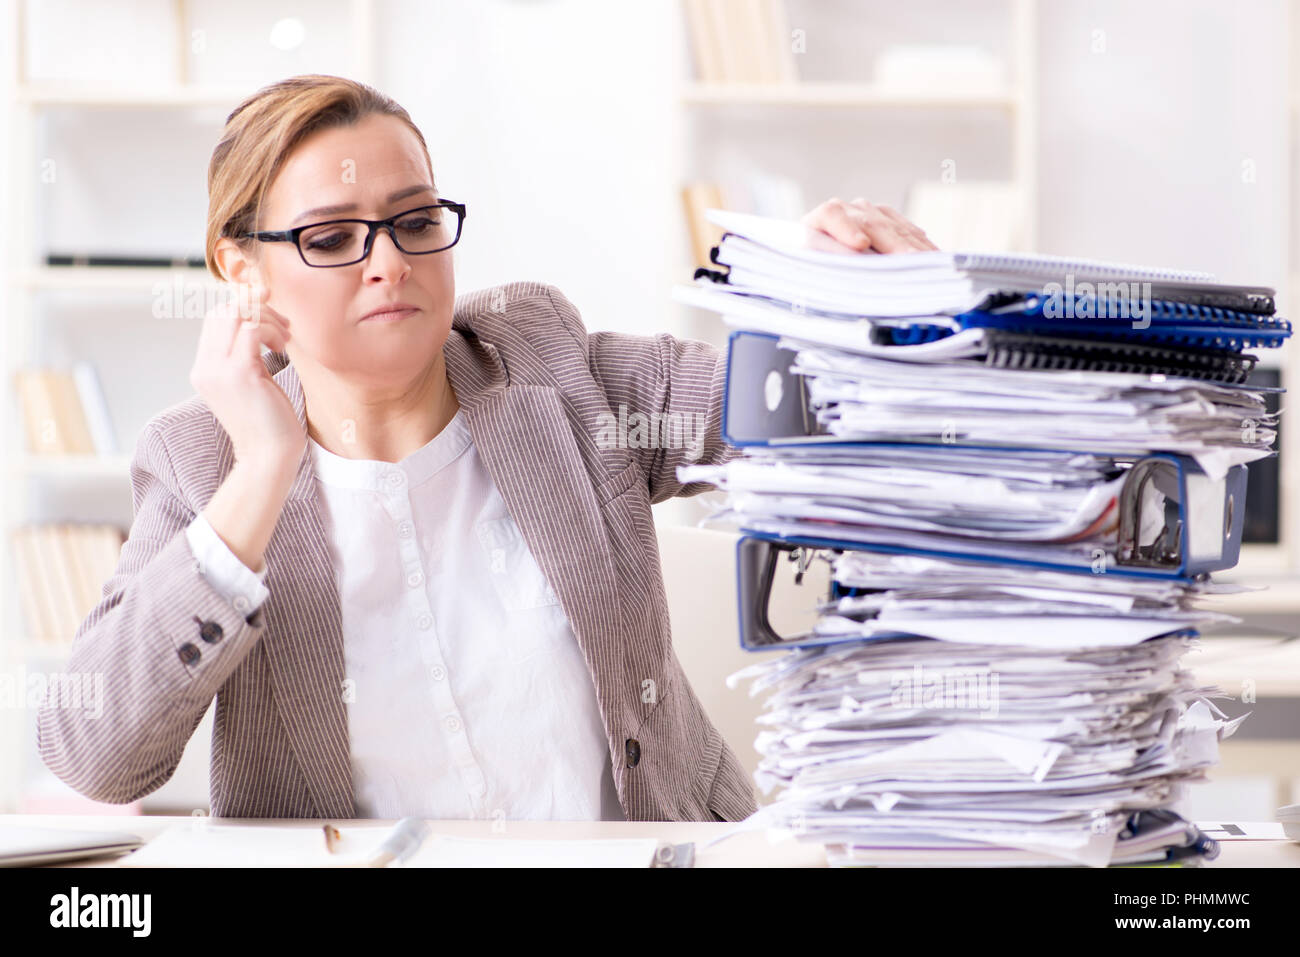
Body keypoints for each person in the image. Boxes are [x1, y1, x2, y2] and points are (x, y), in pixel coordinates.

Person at [37, 74, 937, 821]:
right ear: (244, 271)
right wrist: (263, 470)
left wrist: (839, 304)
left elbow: (796, 404)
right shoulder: (202, 461)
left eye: (415, 221)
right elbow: (95, 756)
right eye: (333, 237)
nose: (388, 262)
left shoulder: (547, 364)